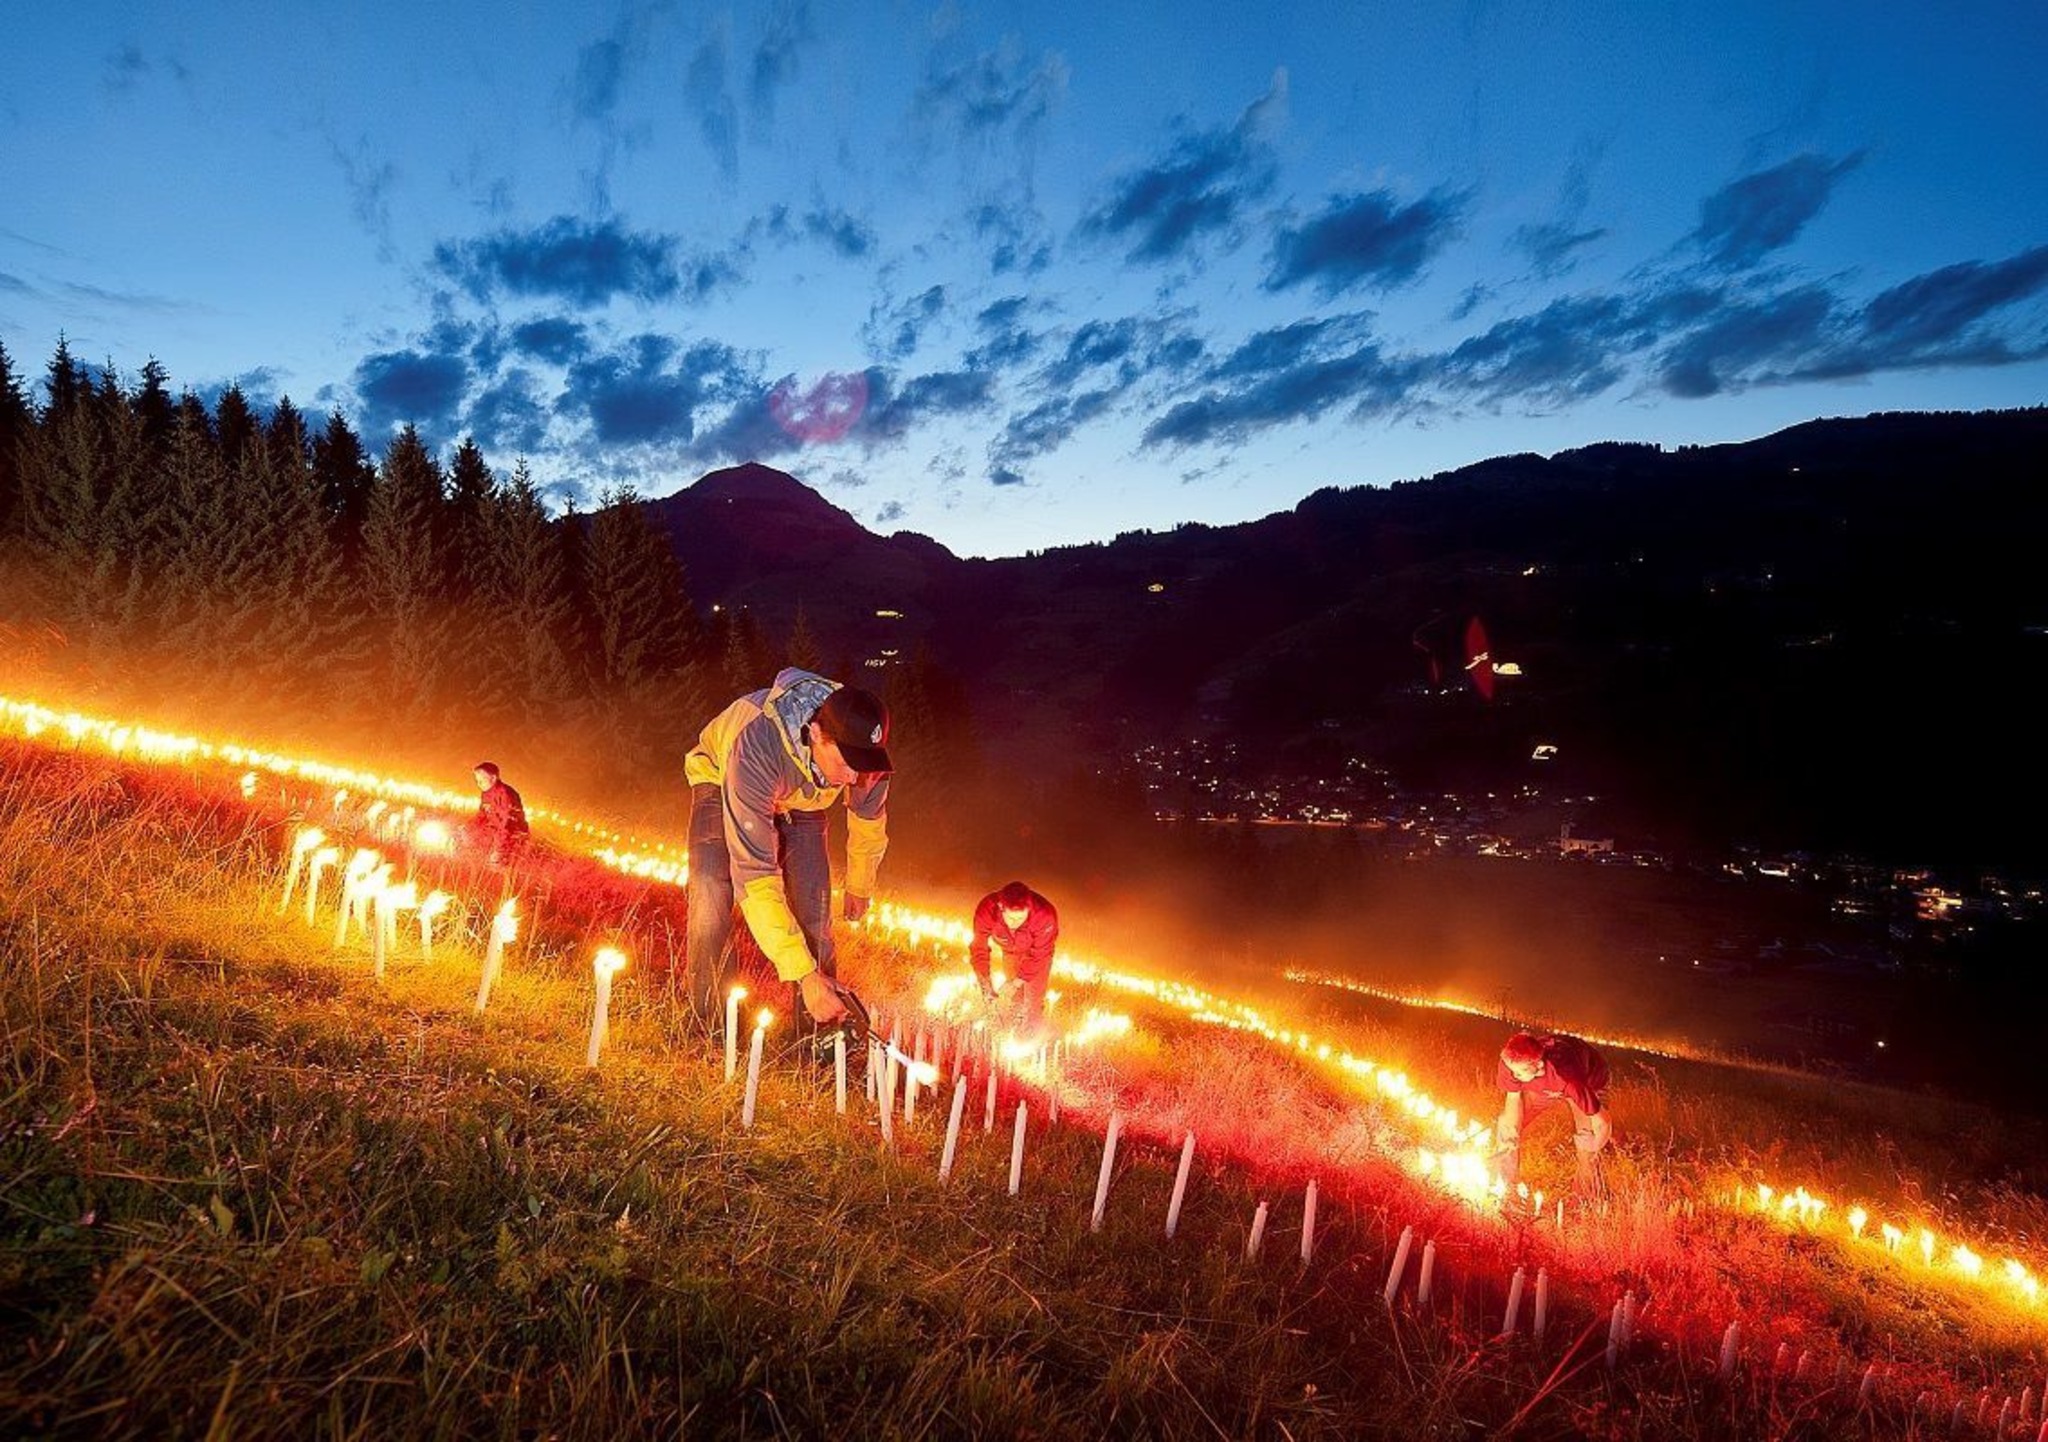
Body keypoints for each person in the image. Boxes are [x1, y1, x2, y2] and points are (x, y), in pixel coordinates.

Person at [684, 667, 892, 1035]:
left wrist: (860, 884)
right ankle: (710, 1021)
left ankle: (819, 1031)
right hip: (722, 779)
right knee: (710, 887)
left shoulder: (861, 753)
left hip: (803, 800)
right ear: (815, 735)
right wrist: (803, 971)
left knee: (816, 912)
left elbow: (867, 821)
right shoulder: (754, 748)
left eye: (864, 767)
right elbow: (756, 875)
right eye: (846, 763)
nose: (854, 779)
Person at [1492, 1030, 1612, 1197]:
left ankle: (1587, 1198)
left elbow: (1603, 1122)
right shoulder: (1512, 1061)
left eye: (1519, 1072)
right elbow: (1513, 1100)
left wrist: (1595, 1147)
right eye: (1512, 1070)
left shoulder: (1568, 1077)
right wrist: (1512, 1137)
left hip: (1590, 1078)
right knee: (1507, 1128)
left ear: (1539, 1065)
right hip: (1545, 1085)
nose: (1513, 1076)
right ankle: (1503, 1187)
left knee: (1587, 1138)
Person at [968, 881, 1059, 1036]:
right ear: (1001, 907)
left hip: (1037, 953)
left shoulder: (1044, 915)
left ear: (1029, 909)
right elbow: (979, 949)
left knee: (1033, 998)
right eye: (1010, 918)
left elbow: (1039, 955)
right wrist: (985, 983)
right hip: (1010, 950)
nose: (1014, 924)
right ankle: (1012, 1027)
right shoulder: (987, 910)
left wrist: (1017, 981)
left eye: (1020, 918)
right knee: (1015, 995)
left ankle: (1030, 1033)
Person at [468, 761, 529, 867]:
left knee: (497, 867)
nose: (479, 783)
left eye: (482, 780)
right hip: (496, 836)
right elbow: (482, 816)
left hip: (511, 840)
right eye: (477, 780)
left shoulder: (506, 795)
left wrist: (499, 849)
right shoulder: (486, 794)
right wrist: (468, 829)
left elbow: (508, 824)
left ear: (493, 778)